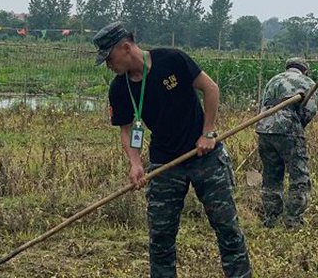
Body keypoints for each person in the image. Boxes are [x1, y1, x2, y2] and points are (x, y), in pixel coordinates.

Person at [95, 22, 251, 277]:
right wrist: (135, 163)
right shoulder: (119, 88)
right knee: (161, 239)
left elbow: (210, 88)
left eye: (109, 58)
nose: (108, 65)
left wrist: (208, 133)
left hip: (205, 157)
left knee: (227, 229)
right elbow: (127, 130)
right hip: (165, 164)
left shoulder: (172, 59)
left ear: (126, 47)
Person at [255, 57, 316, 228]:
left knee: (271, 176)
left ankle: (271, 219)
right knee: (299, 176)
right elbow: (310, 111)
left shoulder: (274, 80)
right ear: (305, 70)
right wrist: (297, 125)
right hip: (289, 130)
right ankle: (293, 220)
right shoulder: (306, 82)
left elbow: (262, 105)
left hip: (264, 129)